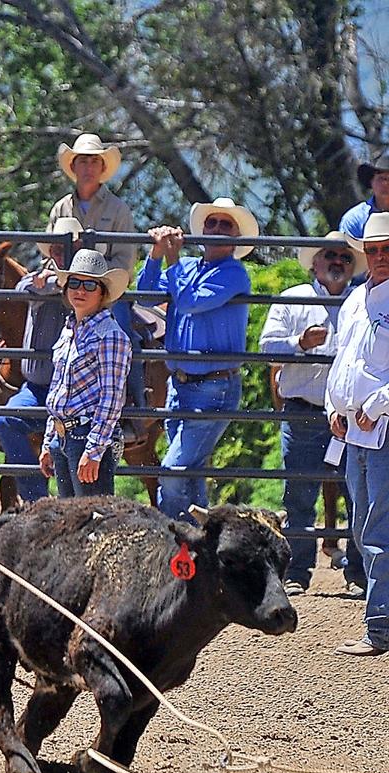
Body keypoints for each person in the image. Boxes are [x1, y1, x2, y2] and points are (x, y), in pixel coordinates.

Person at [259, 232, 366, 597]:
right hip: (304, 410)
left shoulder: (363, 301)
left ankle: (357, 573)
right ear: (315, 262)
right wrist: (299, 344)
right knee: (299, 497)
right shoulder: (293, 299)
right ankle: (297, 572)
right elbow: (266, 348)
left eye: (345, 257)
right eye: (330, 255)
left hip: (350, 415)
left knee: (358, 494)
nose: (338, 262)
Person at [138, 197, 257, 521]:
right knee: (189, 472)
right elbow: (145, 296)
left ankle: (173, 538)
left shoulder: (233, 273)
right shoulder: (188, 266)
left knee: (173, 472)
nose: (216, 228)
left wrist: (171, 259)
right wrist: (156, 255)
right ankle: (198, 542)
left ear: (235, 237)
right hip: (181, 385)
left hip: (213, 388)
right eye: (211, 222)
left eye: (225, 224)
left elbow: (190, 302)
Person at [46, 132, 144, 440]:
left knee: (125, 334)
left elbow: (125, 261)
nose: (88, 167)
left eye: (93, 161)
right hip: (66, 288)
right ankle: (39, 398)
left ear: (102, 168)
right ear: (73, 167)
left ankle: (134, 409)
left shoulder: (119, 210)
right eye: (82, 161)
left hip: (108, 294)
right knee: (40, 329)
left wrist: (96, 280)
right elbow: (50, 251)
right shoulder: (61, 208)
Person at [327, 211, 389, 657]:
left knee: (377, 527)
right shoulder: (353, 300)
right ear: (364, 253)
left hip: (381, 426)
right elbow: (341, 361)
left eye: (387, 249)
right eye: (373, 250)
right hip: (355, 431)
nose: (380, 256)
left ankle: (380, 626)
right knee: (365, 525)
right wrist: (333, 406)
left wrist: (377, 404)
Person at [0, 217, 80, 502]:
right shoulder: (38, 275)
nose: (58, 252)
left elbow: (67, 288)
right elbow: (22, 288)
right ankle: (37, 499)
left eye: (64, 247)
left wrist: (52, 282)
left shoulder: (83, 283)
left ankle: (71, 501)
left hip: (71, 392)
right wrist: (50, 282)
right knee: (5, 420)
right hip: (36, 387)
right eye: (55, 247)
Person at [39, 249, 131, 497]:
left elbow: (112, 398)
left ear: (102, 292)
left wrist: (94, 449)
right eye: (75, 283)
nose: (80, 290)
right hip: (64, 434)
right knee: (71, 515)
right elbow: (58, 388)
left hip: (86, 435)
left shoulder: (110, 335)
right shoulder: (69, 330)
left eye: (90, 285)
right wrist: (49, 441)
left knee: (92, 515)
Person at [339, 152, 389, 240]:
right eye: (381, 178)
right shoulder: (354, 219)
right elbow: (346, 247)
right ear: (371, 182)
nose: (386, 183)